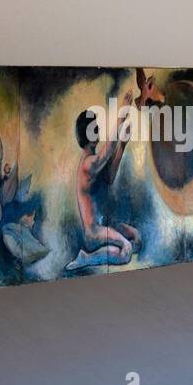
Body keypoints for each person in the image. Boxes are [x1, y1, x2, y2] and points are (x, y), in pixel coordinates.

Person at [64, 93, 141, 271]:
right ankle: (87, 258)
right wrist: (123, 112)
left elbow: (110, 177)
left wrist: (122, 144)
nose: (98, 130)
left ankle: (113, 248)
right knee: (127, 251)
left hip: (105, 226)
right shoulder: (87, 164)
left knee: (137, 239)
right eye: (95, 128)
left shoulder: (94, 162)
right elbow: (106, 154)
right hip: (94, 233)